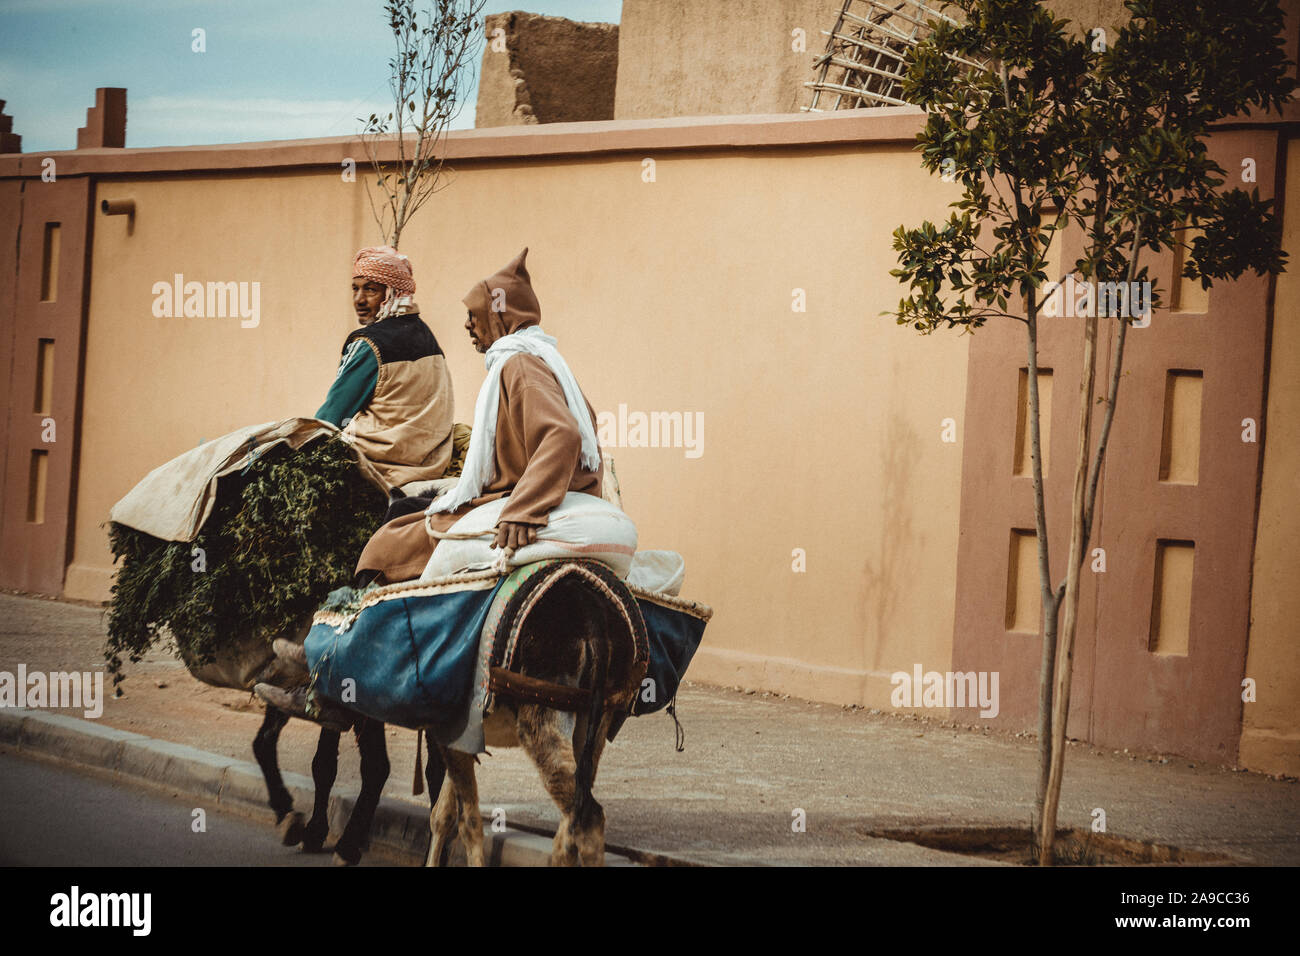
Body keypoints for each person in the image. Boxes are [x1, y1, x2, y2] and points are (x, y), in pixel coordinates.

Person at [352, 246, 603, 584]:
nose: (468, 325)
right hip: (518, 491)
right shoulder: (538, 359)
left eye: (475, 314)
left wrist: (524, 511)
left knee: (390, 540)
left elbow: (563, 434)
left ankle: (358, 621)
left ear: (498, 316)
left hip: (518, 498)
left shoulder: (520, 365)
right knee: (406, 512)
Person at [314, 245, 455, 490]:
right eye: (355, 288)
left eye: (370, 289)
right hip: (429, 467)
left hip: (378, 471)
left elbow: (331, 419)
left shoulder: (368, 344)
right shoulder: (428, 337)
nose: (359, 299)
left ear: (391, 292)